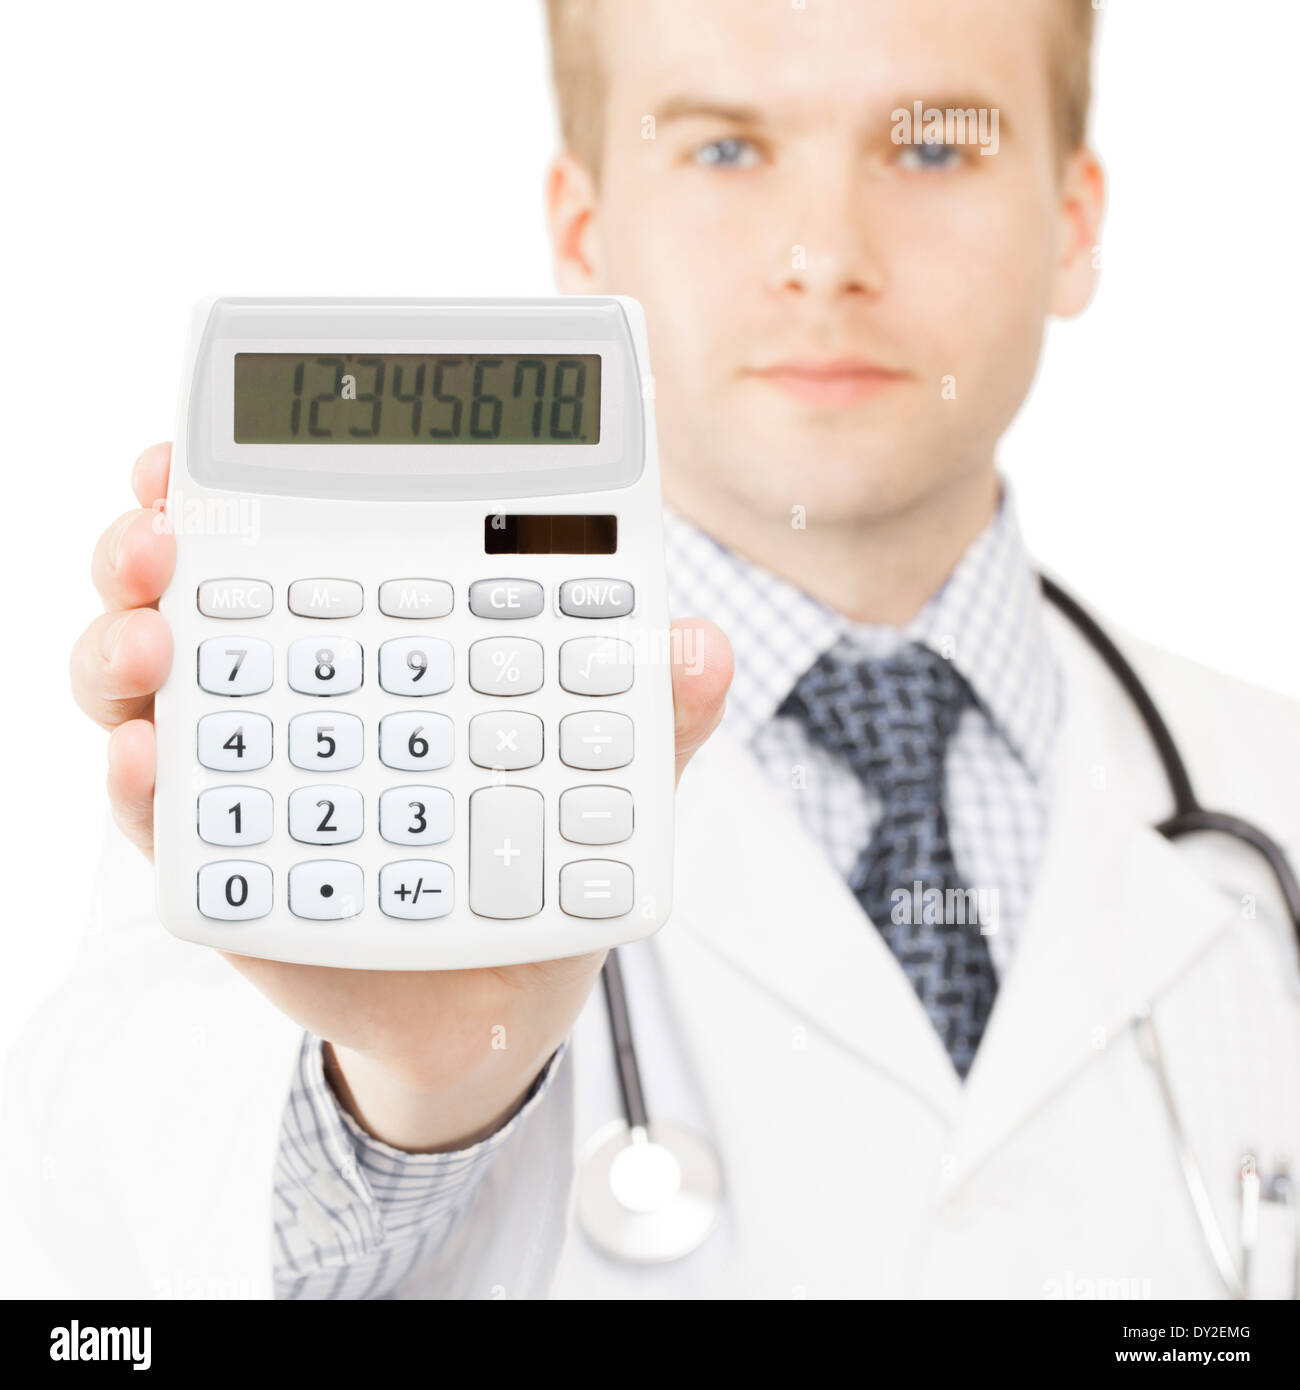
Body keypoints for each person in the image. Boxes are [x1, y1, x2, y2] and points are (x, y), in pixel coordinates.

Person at [19, 0, 1300, 1298]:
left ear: (1075, 222)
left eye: (929, 149)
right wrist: (421, 1094)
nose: (824, 256)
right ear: (585, 230)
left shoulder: (1276, 786)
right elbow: (126, 1272)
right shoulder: (292, 771)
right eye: (726, 150)